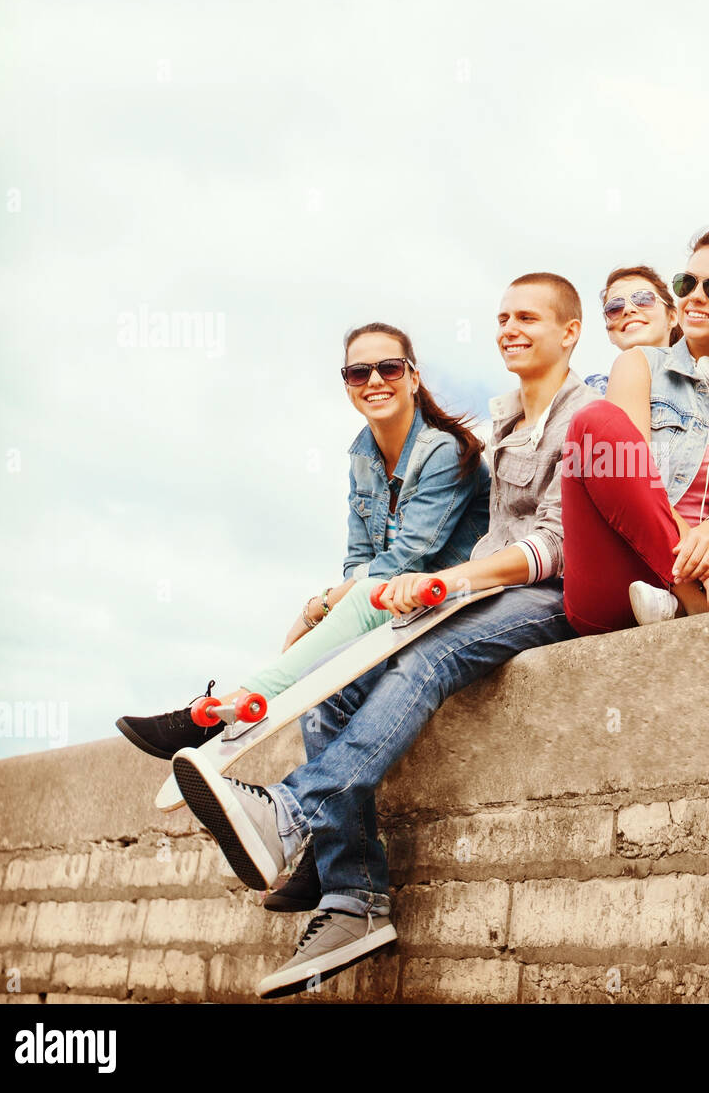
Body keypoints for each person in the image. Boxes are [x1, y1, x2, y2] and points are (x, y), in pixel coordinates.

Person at [169, 273, 600, 998]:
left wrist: (455, 581)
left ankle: (295, 811)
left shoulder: (583, 414)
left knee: (425, 658)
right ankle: (353, 900)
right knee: (335, 690)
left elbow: (554, 546)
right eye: (501, 317)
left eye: (527, 317)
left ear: (570, 331)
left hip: (552, 597)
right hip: (487, 590)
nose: (509, 329)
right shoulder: (504, 425)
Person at [116, 324, 490, 760]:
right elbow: (358, 561)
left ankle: (236, 705)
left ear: (413, 377)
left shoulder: (444, 450)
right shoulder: (362, 458)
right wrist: (332, 608)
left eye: (388, 368)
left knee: (367, 598)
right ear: (347, 384)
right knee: (332, 668)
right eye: (357, 373)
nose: (374, 381)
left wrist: (319, 609)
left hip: (448, 602)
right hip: (389, 610)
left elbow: (410, 558)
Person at [561, 229, 709, 633]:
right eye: (687, 283)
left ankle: (685, 600)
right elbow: (633, 486)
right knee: (594, 424)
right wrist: (693, 573)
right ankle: (687, 599)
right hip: (624, 579)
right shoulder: (640, 365)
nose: (695, 296)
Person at [583, 265, 682, 394]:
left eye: (643, 299)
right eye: (614, 307)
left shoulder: (705, 385)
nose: (628, 310)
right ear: (610, 334)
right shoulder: (591, 393)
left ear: (672, 317)